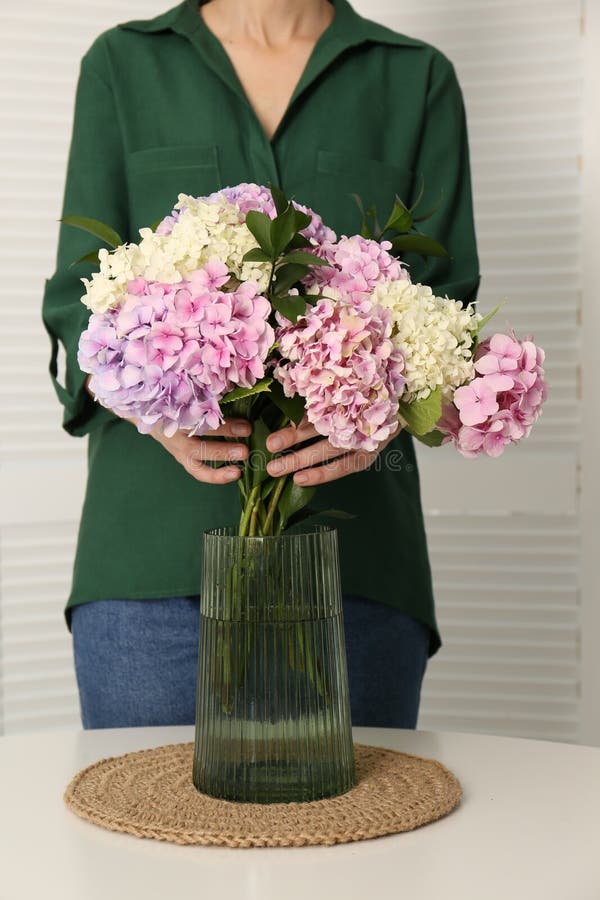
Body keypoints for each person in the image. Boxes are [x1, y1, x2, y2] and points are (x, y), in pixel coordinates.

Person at [41, 0, 480, 730]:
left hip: (355, 571)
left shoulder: (415, 78)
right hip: (150, 568)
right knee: (140, 828)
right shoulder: (123, 64)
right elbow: (76, 297)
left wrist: (379, 410)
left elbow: (447, 307)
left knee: (359, 835)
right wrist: (150, 405)